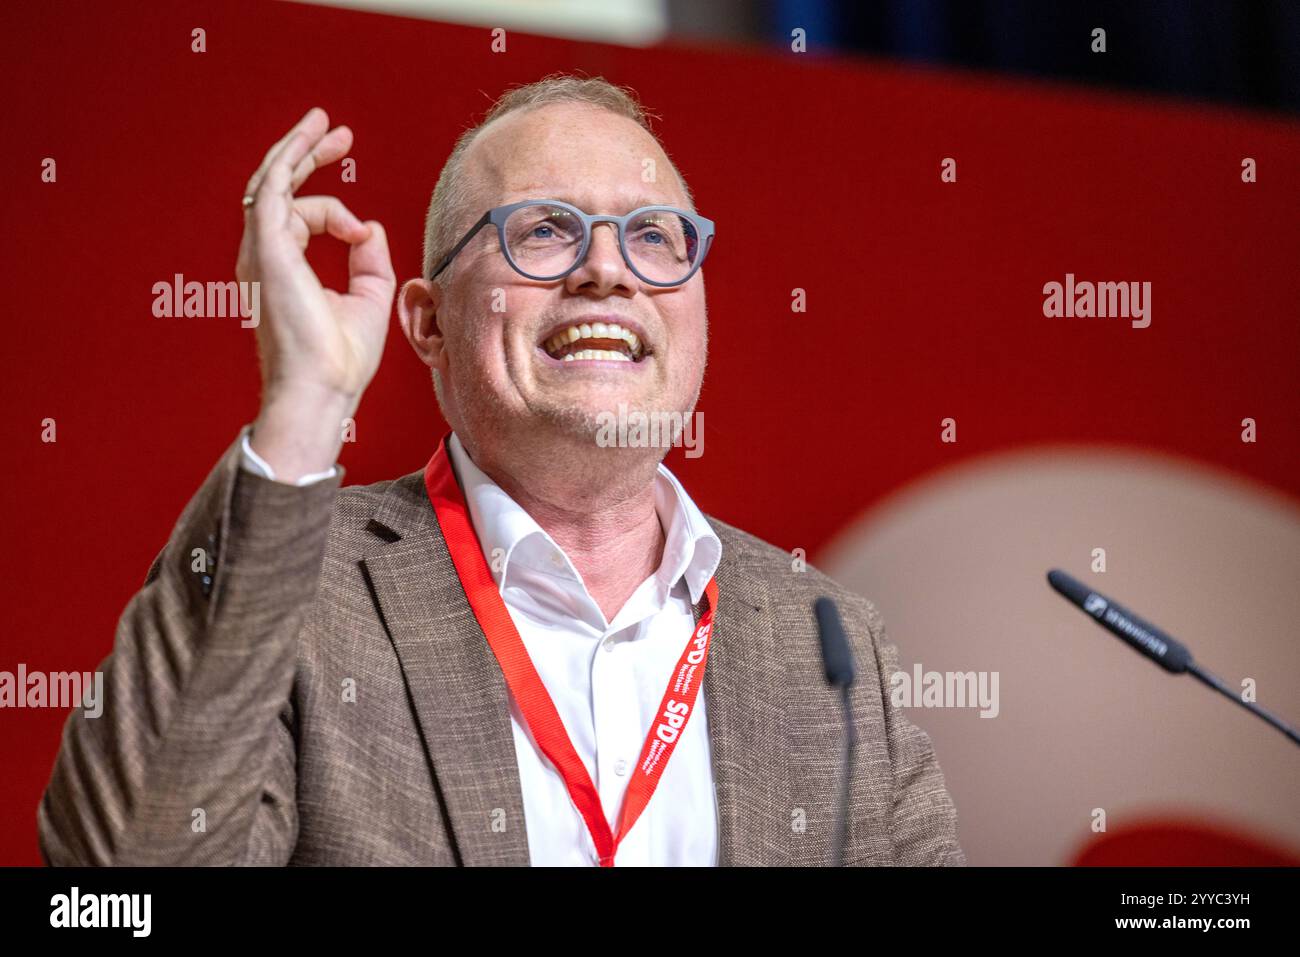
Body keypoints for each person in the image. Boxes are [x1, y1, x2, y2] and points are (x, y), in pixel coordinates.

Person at [38, 74, 965, 866]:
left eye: (654, 236)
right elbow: (123, 879)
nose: (610, 269)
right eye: (547, 229)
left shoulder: (823, 638)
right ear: (429, 322)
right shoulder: (298, 588)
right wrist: (306, 404)